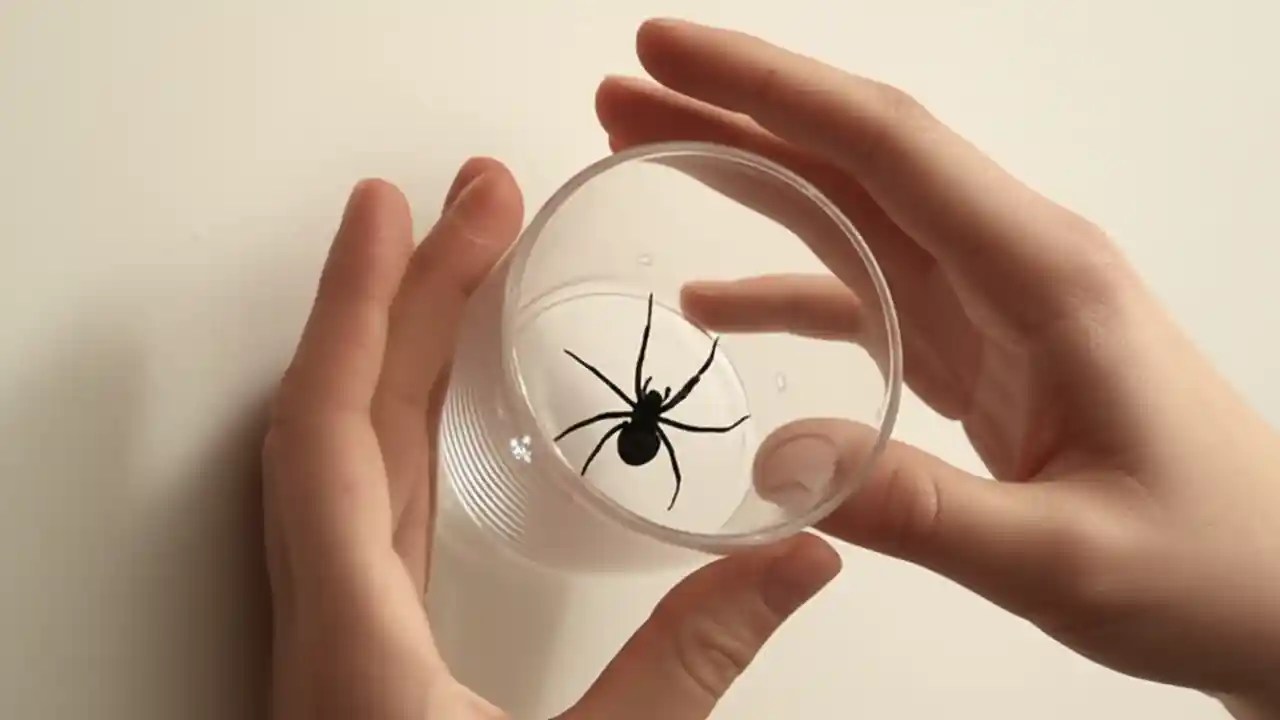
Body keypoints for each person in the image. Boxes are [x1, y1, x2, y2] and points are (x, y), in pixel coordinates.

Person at [260, 17, 1280, 720]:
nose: (651, 391)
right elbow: (655, 399)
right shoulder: (647, 402)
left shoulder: (648, 414)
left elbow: (652, 406)